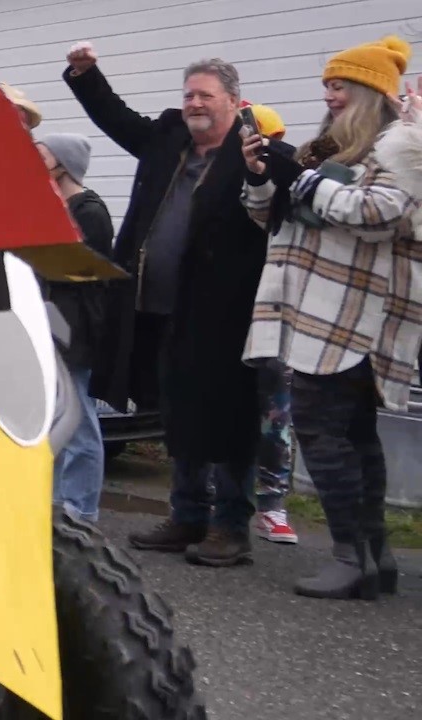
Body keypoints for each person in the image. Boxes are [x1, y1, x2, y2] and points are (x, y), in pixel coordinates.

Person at [64, 42, 285, 568]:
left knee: (229, 420)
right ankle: (187, 515)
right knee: (178, 416)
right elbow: (116, 119)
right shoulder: (167, 139)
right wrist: (86, 74)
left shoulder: (259, 155)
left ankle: (230, 526)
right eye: (188, 94)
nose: (193, 103)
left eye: (205, 95)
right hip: (158, 310)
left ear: (233, 101)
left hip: (226, 314)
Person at [241, 39, 417, 600]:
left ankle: (352, 556)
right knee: (353, 435)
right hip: (318, 308)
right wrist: (265, 178)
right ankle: (373, 558)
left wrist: (306, 182)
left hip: (352, 313)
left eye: (340, 85)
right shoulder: (329, 150)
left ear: (370, 93)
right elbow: (272, 218)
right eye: (328, 84)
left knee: (324, 432)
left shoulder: (394, 148)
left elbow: (380, 214)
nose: (329, 94)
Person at [35, 132, 115, 522]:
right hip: (47, 324)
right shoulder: (51, 206)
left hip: (76, 329)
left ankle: (81, 510)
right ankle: (50, 506)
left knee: (79, 421)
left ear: (64, 163)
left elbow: (81, 270)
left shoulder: (89, 211)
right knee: (50, 419)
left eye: (43, 154)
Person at [240, 99, 301, 546]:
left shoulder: (291, 181)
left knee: (277, 413)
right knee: (231, 405)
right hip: (229, 310)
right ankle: (222, 491)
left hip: (276, 315)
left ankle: (273, 504)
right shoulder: (229, 176)